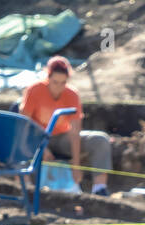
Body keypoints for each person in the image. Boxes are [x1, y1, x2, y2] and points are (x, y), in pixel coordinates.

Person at [19, 55, 111, 196]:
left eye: (63, 83)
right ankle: (25, 188)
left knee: (100, 140)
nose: (59, 87)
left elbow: (75, 132)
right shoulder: (34, 91)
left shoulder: (72, 95)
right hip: (36, 137)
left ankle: (100, 189)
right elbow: (23, 125)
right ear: (48, 77)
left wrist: (76, 165)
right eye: (55, 82)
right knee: (17, 144)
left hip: (61, 138)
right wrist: (41, 147)